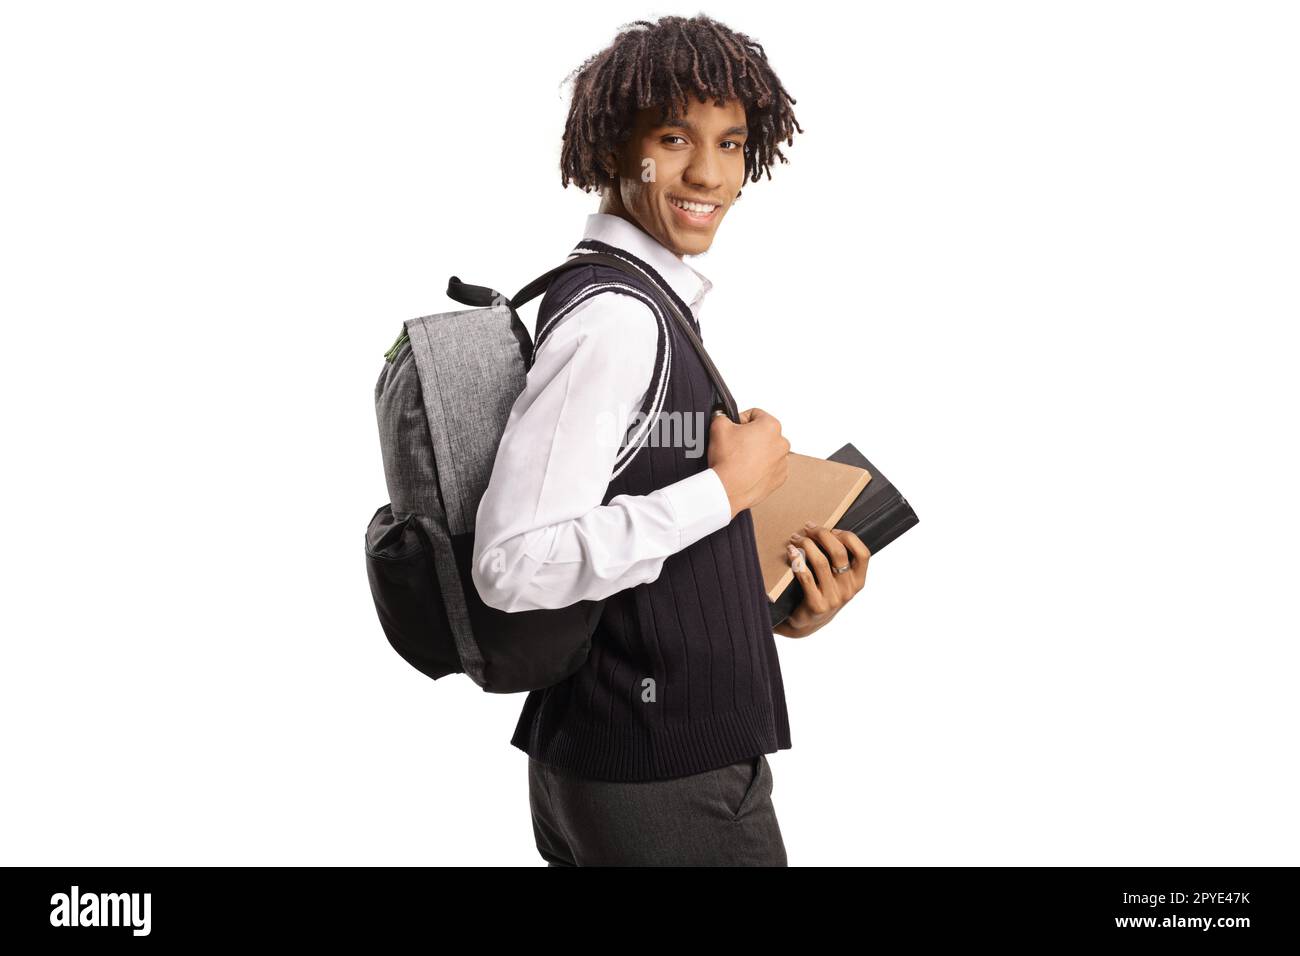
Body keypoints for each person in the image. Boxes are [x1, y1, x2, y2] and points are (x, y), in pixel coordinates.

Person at [471, 14, 871, 866]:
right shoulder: (616, 320)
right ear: (615, 148)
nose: (709, 174)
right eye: (674, 137)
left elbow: (630, 540)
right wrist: (726, 489)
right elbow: (513, 564)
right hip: (658, 775)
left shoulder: (644, 303)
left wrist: (775, 608)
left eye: (731, 144)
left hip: (645, 757)